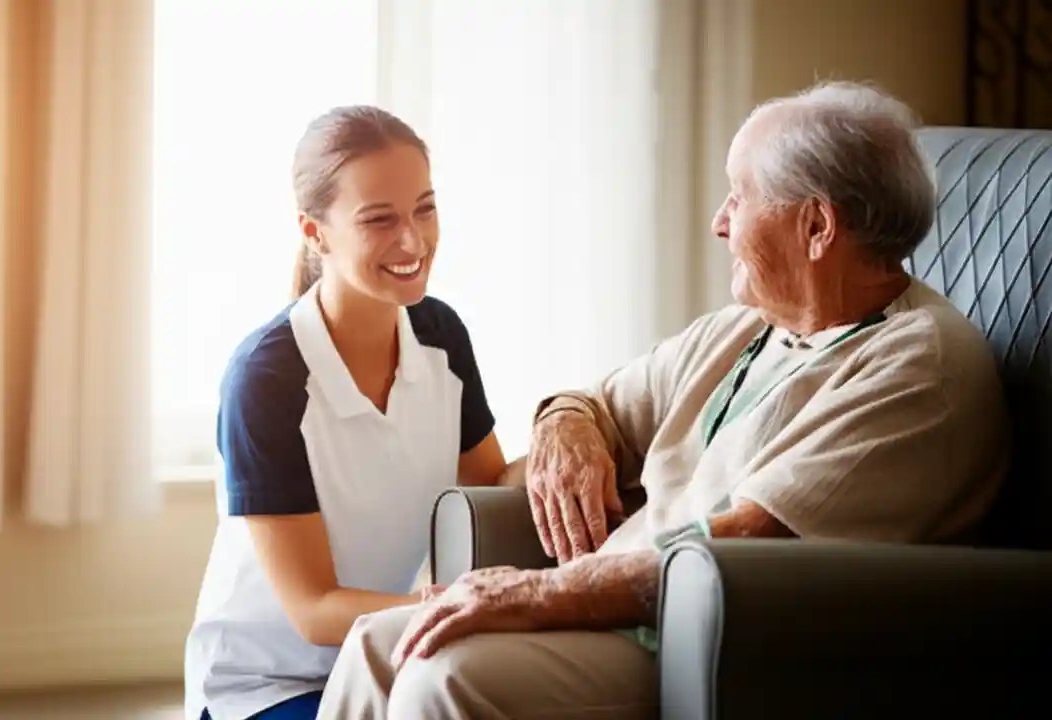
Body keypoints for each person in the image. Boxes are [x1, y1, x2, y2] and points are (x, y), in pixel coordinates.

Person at [317, 81, 1010, 719]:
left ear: (817, 227)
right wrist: (568, 423)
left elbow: (745, 548)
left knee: (441, 672)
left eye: (739, 196)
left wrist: (534, 594)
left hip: (721, 643)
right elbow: (593, 403)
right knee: (378, 643)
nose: (719, 222)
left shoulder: (920, 365)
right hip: (635, 616)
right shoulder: (748, 328)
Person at [183, 106, 509, 720]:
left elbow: (490, 484)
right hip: (270, 684)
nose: (412, 240)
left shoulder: (441, 334)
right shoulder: (266, 377)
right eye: (379, 220)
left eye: (425, 208)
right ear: (315, 232)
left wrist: (577, 438)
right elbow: (312, 609)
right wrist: (447, 606)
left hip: (391, 654)